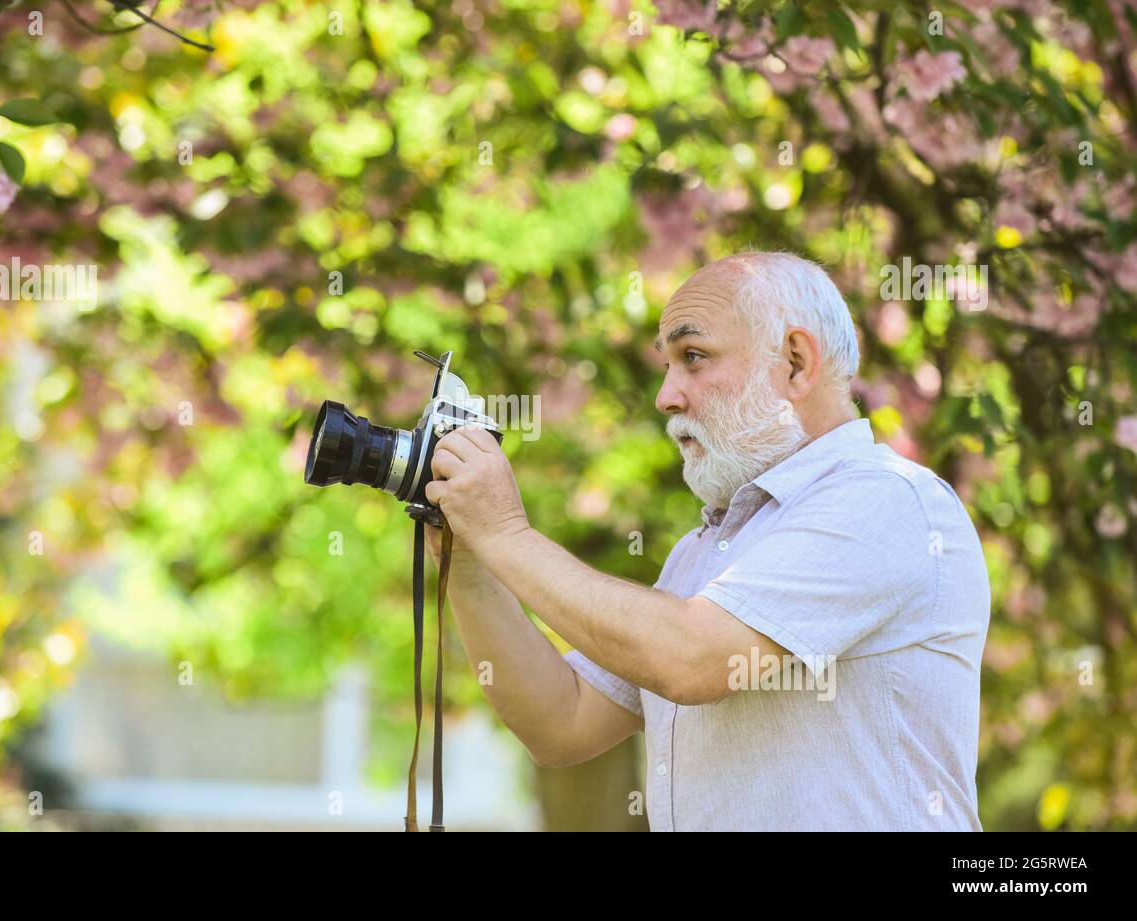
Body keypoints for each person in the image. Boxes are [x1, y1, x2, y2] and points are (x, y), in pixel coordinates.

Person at [423, 252, 990, 831]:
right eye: (668, 365)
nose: (666, 396)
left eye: (693, 357)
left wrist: (508, 533)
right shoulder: (703, 551)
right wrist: (473, 562)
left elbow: (692, 659)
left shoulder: (886, 499)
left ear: (795, 363)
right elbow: (560, 721)